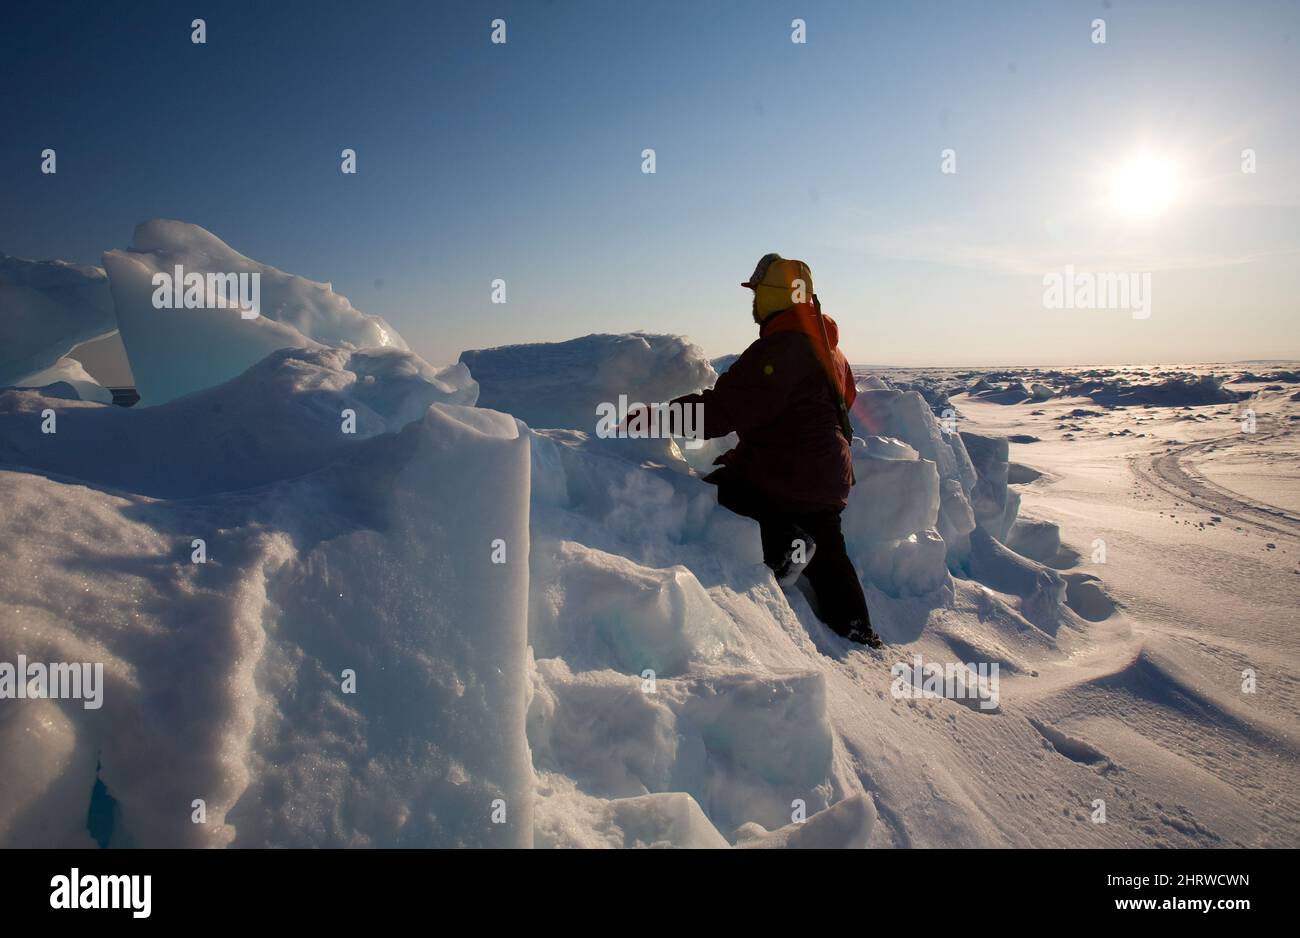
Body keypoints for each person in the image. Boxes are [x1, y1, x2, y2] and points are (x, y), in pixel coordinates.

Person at [671, 254, 882, 648]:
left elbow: (721, 411)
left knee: (710, 496)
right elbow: (841, 402)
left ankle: (783, 544)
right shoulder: (831, 352)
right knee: (832, 557)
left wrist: (660, 416)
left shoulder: (779, 350)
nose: (752, 302)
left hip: (787, 474)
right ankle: (857, 630)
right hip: (829, 479)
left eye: (757, 294)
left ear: (773, 297)